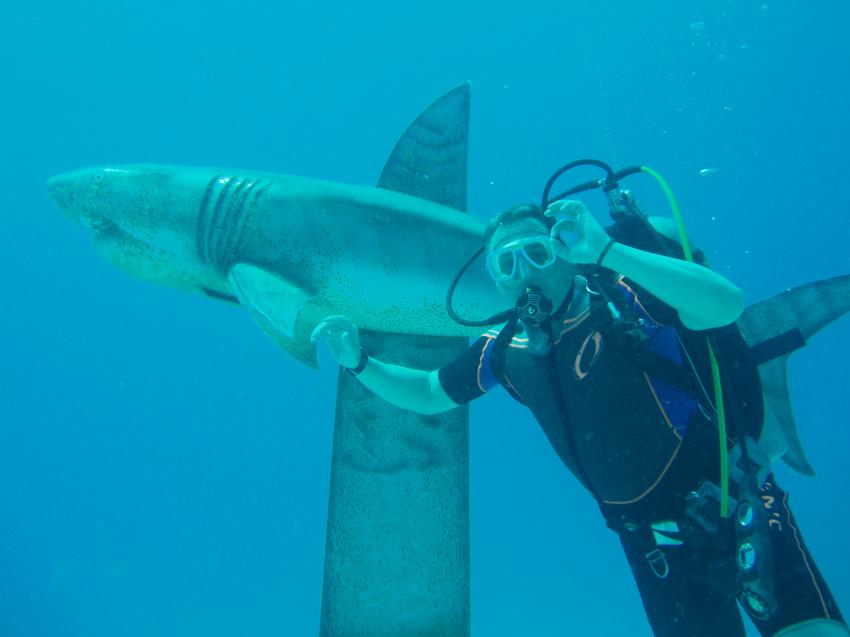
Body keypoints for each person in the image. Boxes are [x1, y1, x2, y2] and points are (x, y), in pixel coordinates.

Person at [311, 199, 847, 637]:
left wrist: (610, 251)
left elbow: (725, 305)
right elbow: (430, 392)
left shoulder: (622, 296)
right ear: (494, 280)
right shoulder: (505, 349)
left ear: (565, 253)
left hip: (732, 496)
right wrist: (358, 362)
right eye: (505, 264)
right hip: (650, 541)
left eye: (536, 252)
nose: (523, 273)